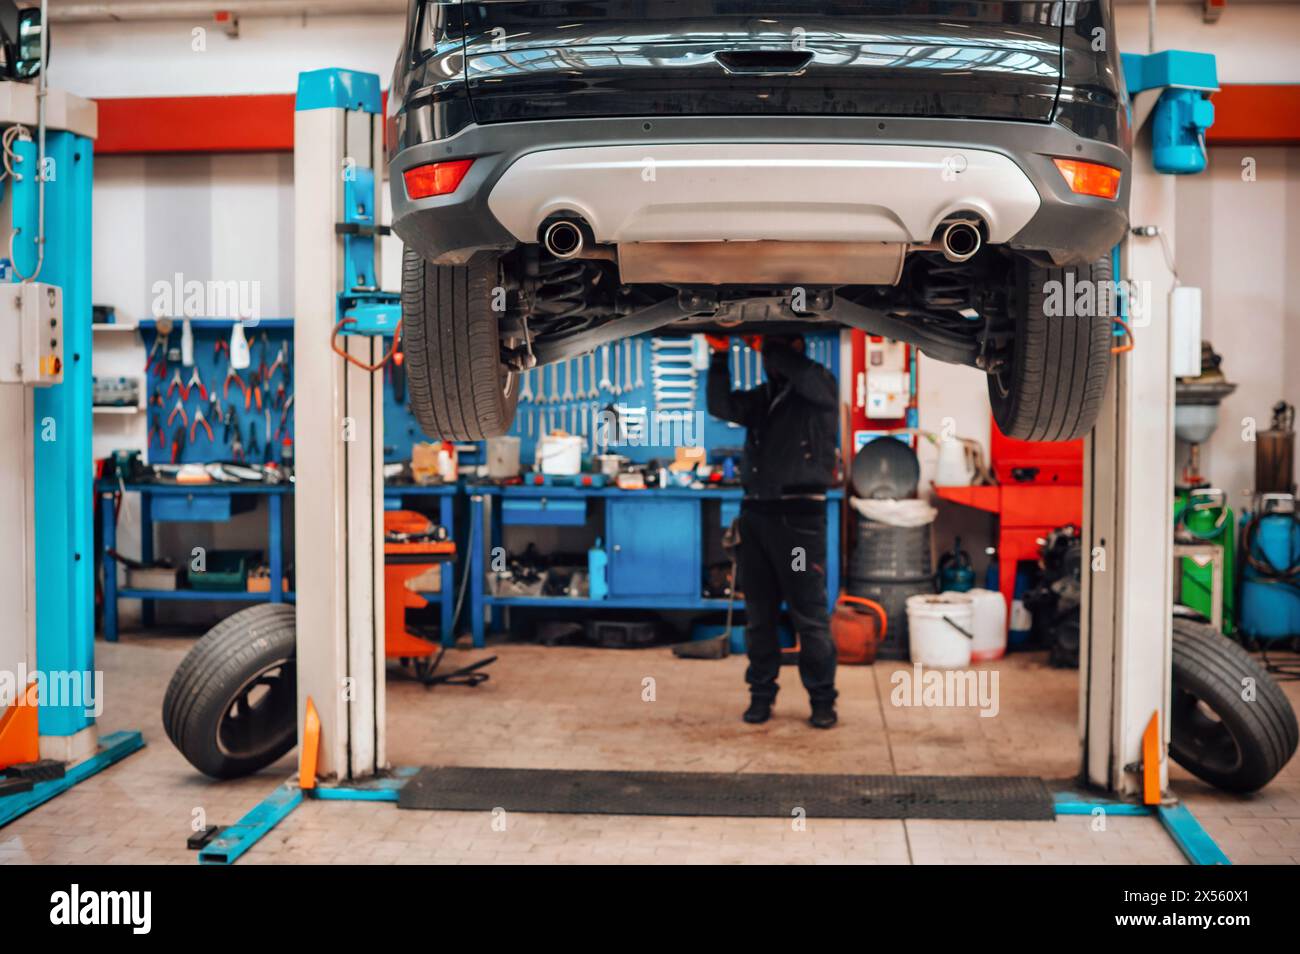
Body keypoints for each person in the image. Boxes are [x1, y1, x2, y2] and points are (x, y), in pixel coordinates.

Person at [705, 333, 841, 728]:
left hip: (799, 523)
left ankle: (822, 701)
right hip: (756, 519)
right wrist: (718, 357)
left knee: (809, 617)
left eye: (781, 352)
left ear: (796, 351)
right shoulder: (764, 398)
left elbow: (800, 370)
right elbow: (720, 404)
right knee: (759, 616)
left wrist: (769, 343)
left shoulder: (820, 391)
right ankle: (761, 696)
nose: (773, 362)